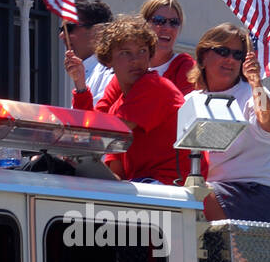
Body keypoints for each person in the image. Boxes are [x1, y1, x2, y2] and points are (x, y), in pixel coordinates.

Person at [185, 23, 270, 222]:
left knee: (193, 198)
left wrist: (256, 83)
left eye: (237, 55)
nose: (230, 60)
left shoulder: (252, 94)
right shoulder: (191, 101)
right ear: (203, 56)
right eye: (223, 51)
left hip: (253, 192)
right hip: (207, 189)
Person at [67, 15, 187, 184]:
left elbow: (101, 137)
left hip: (169, 187)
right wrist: (80, 83)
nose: (136, 60)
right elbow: (92, 128)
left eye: (142, 51)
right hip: (145, 186)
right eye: (125, 53)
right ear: (108, 60)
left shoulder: (155, 86)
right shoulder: (120, 103)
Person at [65, 0, 114, 103]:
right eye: (61, 29)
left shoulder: (110, 72)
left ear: (98, 31)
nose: (62, 35)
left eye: (70, 28)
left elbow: (97, 116)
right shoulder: (80, 70)